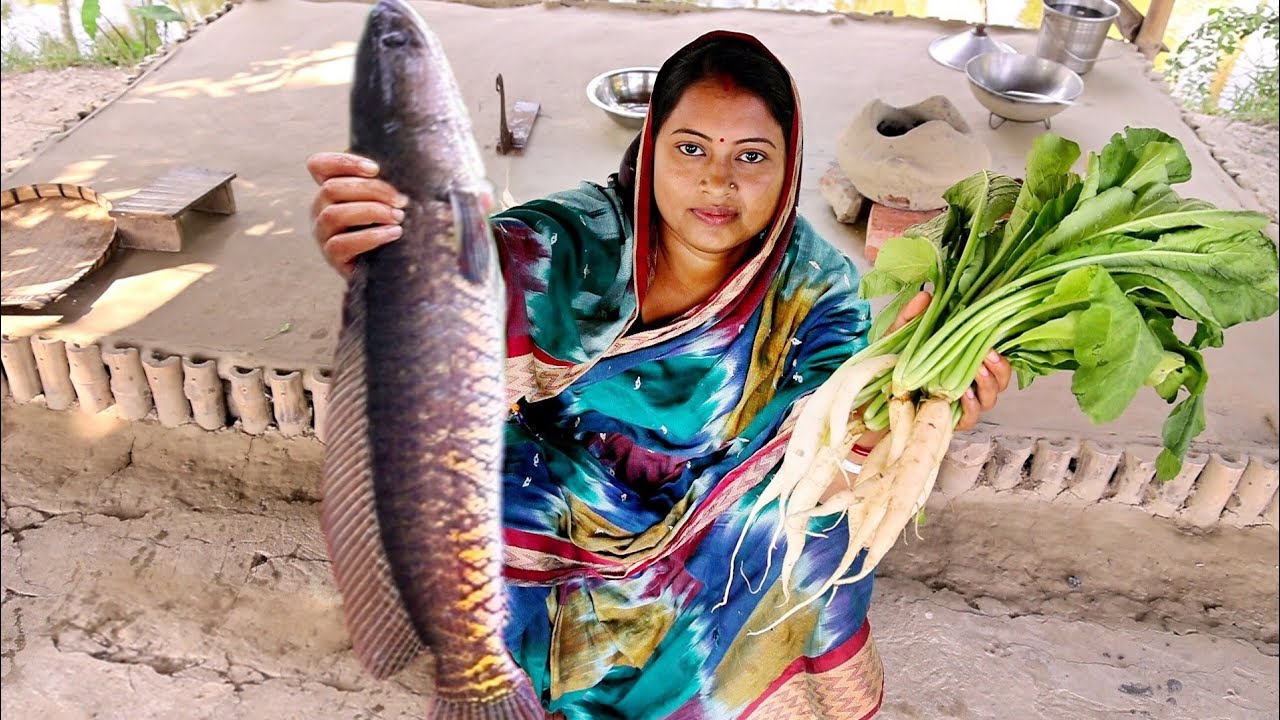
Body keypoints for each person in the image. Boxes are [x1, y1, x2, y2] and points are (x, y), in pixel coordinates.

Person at [307, 30, 1011, 720]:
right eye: (691, 148)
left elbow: (833, 426)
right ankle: (512, 691)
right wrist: (394, 259)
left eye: (752, 156)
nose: (717, 180)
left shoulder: (816, 285)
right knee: (480, 508)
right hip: (570, 478)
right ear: (650, 150)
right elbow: (471, 282)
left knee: (809, 525)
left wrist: (916, 400)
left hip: (722, 489)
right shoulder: (576, 237)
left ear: (790, 165)